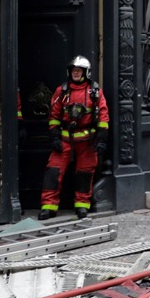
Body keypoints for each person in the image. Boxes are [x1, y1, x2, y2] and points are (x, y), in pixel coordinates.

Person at [40, 56, 109, 220]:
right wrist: (54, 136)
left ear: (86, 72)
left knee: (84, 174)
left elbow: (103, 115)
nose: (76, 73)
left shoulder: (95, 92)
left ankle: (82, 206)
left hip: (87, 141)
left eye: (79, 70)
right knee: (53, 172)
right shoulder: (62, 91)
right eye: (73, 70)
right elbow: (54, 115)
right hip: (64, 139)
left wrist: (102, 139)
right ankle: (48, 207)